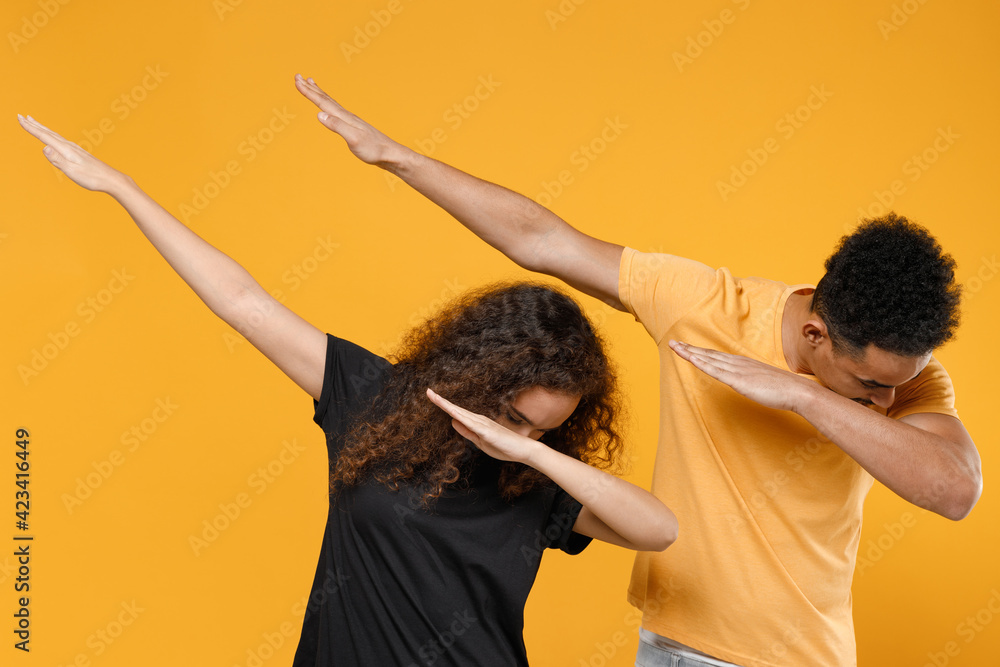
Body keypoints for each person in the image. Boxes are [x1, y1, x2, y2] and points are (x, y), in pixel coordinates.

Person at [292, 74, 984, 667]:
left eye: (898, 383)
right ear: (815, 331)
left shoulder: (909, 381)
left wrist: (799, 393)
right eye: (870, 385)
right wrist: (392, 157)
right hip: (680, 649)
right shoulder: (705, 304)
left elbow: (953, 489)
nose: (888, 399)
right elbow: (542, 239)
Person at [18, 108, 678, 666]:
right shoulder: (374, 397)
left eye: (543, 427)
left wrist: (533, 453)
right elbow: (243, 301)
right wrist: (123, 188)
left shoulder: (537, 481)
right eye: (512, 415)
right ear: (478, 373)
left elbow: (658, 528)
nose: (523, 434)